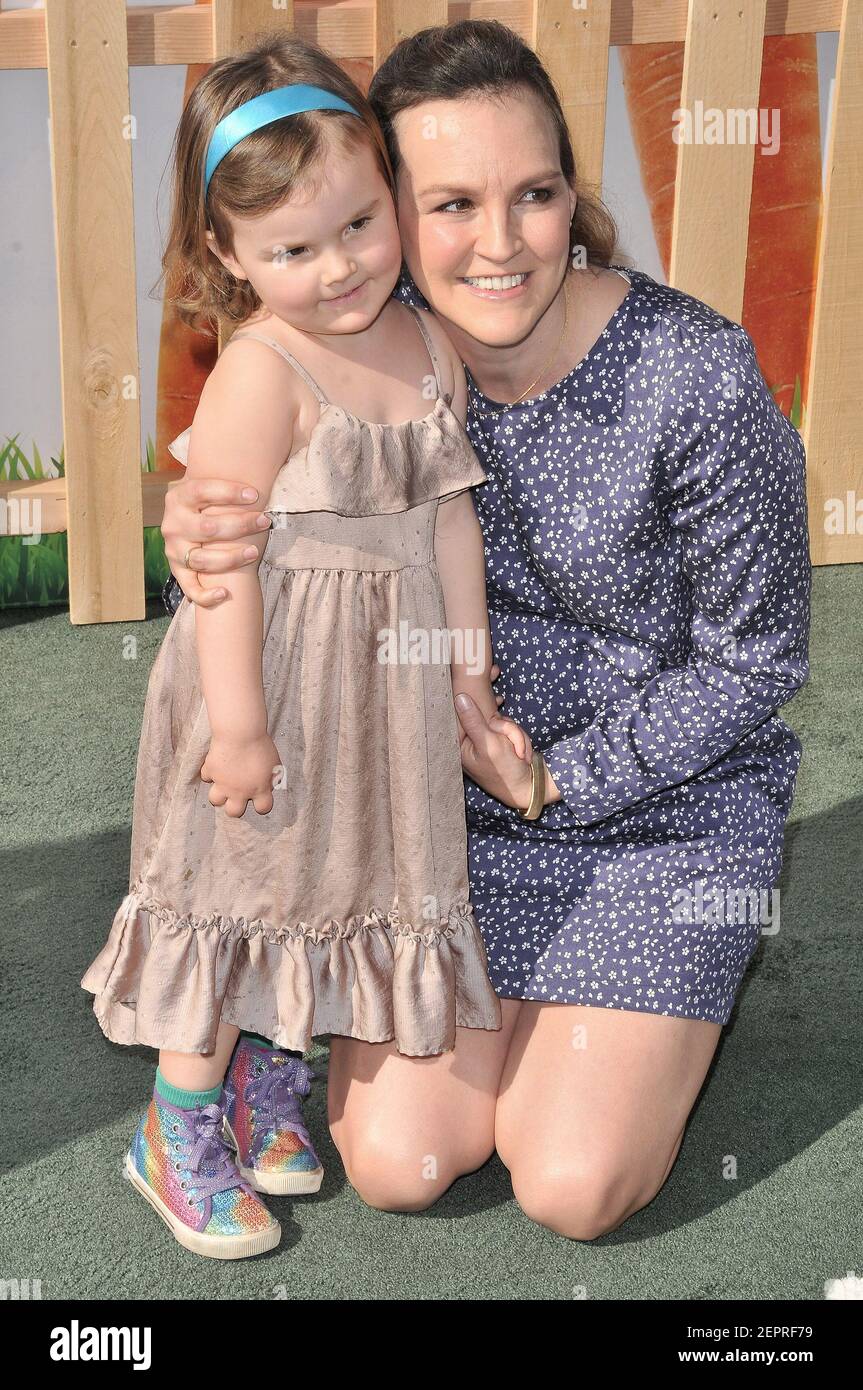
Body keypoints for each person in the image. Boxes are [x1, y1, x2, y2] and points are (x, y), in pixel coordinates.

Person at [159, 20, 812, 1240]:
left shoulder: (698, 377)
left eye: (536, 194)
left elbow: (758, 658)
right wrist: (197, 511)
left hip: (660, 818)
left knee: (567, 1183)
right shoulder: (361, 332)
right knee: (407, 1160)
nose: (500, 243)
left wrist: (563, 772)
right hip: (425, 813)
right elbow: (250, 429)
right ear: (384, 210)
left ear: (574, 196)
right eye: (450, 203)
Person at [81, 33, 532, 1260]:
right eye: (289, 249)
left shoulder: (425, 347)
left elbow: (447, 520)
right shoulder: (259, 372)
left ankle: (266, 1082)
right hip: (271, 686)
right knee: (238, 886)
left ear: (387, 196)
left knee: (337, 883)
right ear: (227, 256)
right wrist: (236, 725)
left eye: (355, 226)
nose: (335, 269)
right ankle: (174, 1127)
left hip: (381, 697)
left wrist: (465, 668)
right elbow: (219, 568)